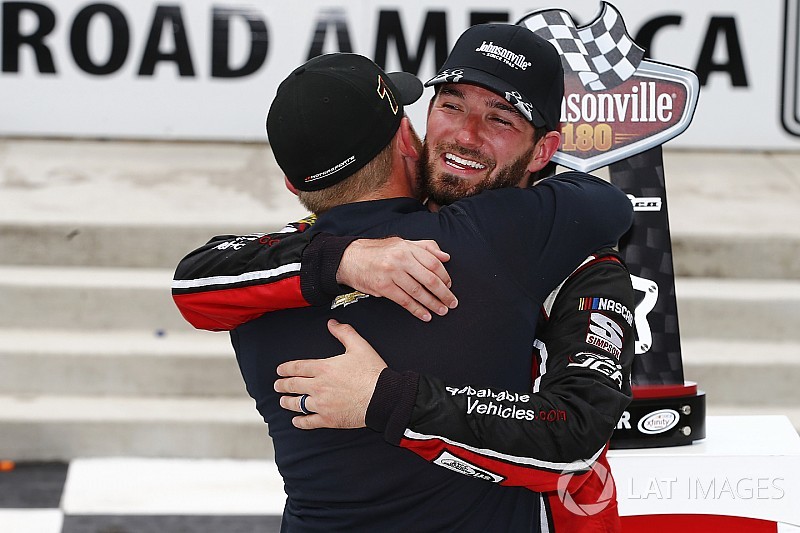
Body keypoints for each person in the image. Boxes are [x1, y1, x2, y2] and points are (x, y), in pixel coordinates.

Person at [173, 25, 633, 532]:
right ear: (409, 135)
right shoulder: (307, 256)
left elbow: (574, 434)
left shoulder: (264, 278)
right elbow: (609, 203)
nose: (465, 134)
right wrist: (345, 259)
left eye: (500, 118)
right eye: (452, 106)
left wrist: (387, 399)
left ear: (544, 150)